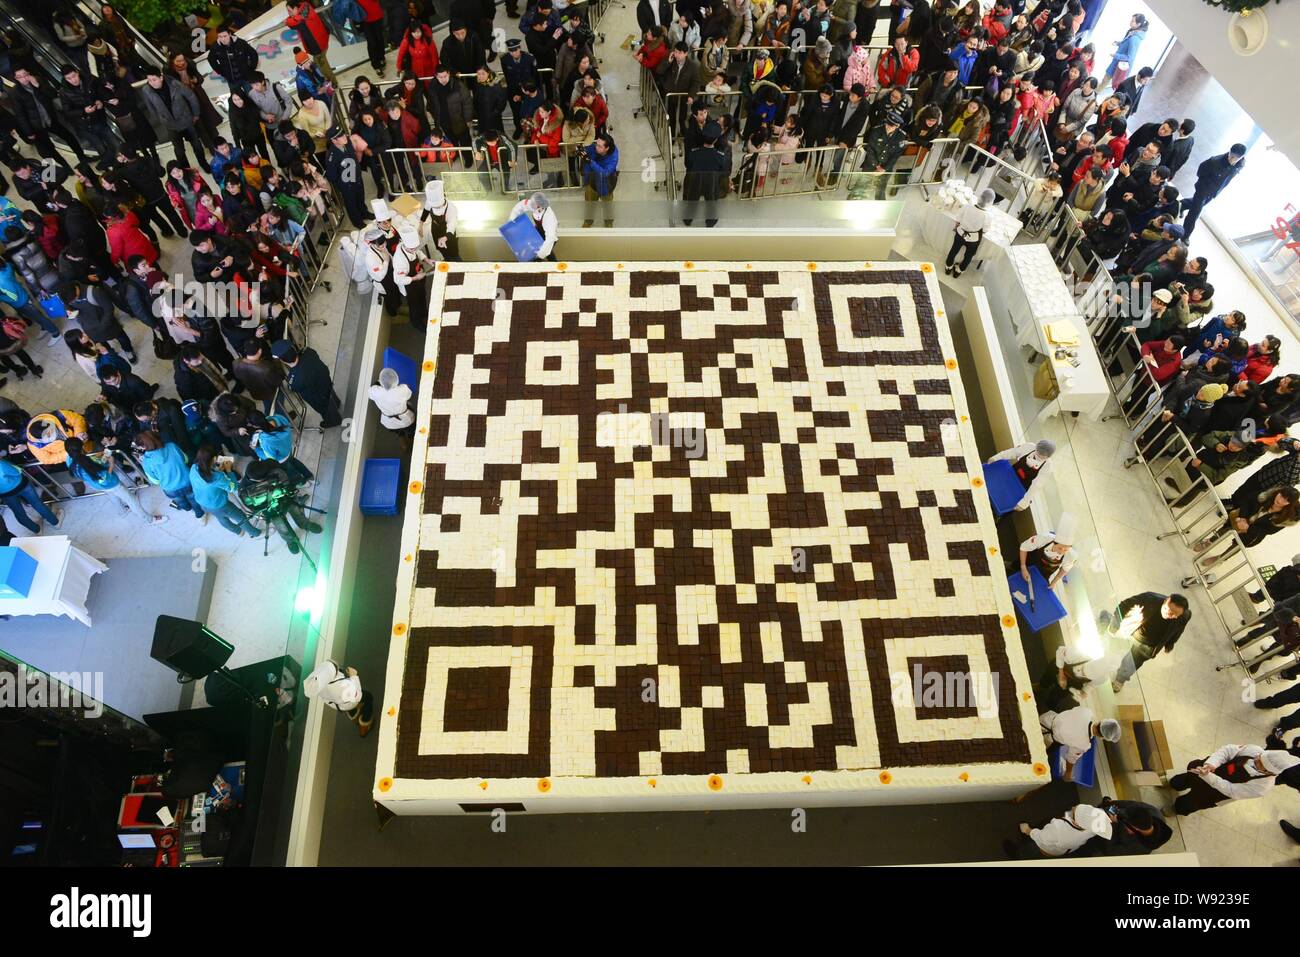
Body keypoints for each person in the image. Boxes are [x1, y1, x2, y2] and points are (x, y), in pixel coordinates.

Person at [1169, 745, 1300, 815]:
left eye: (1260, 763)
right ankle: (1174, 784)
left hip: (1214, 793)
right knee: (1182, 780)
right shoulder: (1255, 750)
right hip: (1204, 770)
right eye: (1260, 756)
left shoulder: (1263, 787)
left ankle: (1176, 809)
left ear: (1269, 772)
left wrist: (1208, 776)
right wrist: (1211, 764)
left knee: (1188, 804)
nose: (1256, 759)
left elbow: (1231, 790)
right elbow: (1227, 751)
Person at [1105, 592, 1192, 690]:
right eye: (1169, 610)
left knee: (1131, 663)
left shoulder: (1184, 615)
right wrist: (1114, 625)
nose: (1170, 615)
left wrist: (1170, 643)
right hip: (1133, 629)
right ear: (1165, 600)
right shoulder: (1149, 599)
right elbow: (1124, 606)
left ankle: (1120, 679)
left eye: (1175, 615)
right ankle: (1104, 619)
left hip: (1148, 645)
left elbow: (1179, 630)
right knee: (1111, 627)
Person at [139, 67, 207, 173]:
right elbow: (151, 108)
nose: (151, 83)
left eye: (154, 79)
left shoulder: (175, 84)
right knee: (179, 150)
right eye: (149, 80)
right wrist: (162, 120)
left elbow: (191, 97)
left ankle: (203, 163)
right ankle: (186, 170)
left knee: (196, 144)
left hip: (186, 120)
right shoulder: (146, 90)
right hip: (171, 125)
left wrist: (196, 114)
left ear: (161, 77)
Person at [188, 444, 259, 537]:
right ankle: (255, 533)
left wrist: (217, 467)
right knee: (241, 517)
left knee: (221, 518)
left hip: (202, 502)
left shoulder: (194, 468)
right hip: (219, 505)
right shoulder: (216, 477)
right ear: (212, 460)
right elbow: (233, 487)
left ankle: (238, 531)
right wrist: (229, 470)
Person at [271, 341, 344, 428]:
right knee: (330, 393)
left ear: (283, 360)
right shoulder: (308, 352)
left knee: (325, 408)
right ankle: (337, 403)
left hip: (317, 395)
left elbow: (294, 388)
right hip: (325, 380)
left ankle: (334, 421)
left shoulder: (294, 379)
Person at [1182, 145, 1247, 239]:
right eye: (1231, 155)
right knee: (1194, 213)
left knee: (1197, 204)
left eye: (1235, 158)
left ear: (1241, 157)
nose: (1231, 159)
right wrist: (1203, 186)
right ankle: (1185, 235)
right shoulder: (1215, 161)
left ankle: (1182, 204)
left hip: (1213, 193)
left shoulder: (1241, 164)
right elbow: (1200, 171)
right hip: (1203, 190)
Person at [1039, 705, 1122, 777]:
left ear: (1102, 721)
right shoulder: (1084, 745)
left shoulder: (1086, 711)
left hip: (1046, 718)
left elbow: (1073, 713)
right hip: (1046, 738)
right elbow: (1071, 758)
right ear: (1102, 737)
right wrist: (1068, 773)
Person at [1008, 802, 1111, 859]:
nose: (1074, 807)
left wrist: (1028, 830)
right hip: (1062, 850)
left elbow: (1041, 837)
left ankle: (1017, 854)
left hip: (1043, 848)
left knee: (1027, 850)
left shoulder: (1058, 830)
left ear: (1076, 823)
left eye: (1075, 811)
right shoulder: (1092, 828)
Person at [304, 659, 374, 736]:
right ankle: (364, 724)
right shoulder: (340, 687)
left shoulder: (319, 685)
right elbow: (357, 695)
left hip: (339, 704)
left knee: (346, 702)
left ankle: (354, 715)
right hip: (350, 701)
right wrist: (354, 675)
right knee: (368, 697)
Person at [986, 439, 1055, 511]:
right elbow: (1012, 452)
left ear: (1048, 457)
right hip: (1009, 475)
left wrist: (1024, 503)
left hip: (1020, 489)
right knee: (993, 490)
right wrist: (996, 457)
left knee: (1001, 502)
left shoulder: (1047, 467)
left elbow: (1036, 485)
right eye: (1037, 452)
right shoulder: (1029, 446)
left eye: (1042, 456)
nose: (1038, 455)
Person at [0, 456, 61, 534]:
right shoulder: (1, 463)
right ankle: (55, 523)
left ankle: (36, 530)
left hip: (5, 494)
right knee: (37, 504)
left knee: (18, 513)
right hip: (20, 485)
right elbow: (16, 472)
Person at [944, 187, 995, 278]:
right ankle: (959, 271)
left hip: (960, 233)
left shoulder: (967, 206)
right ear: (990, 202)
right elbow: (985, 230)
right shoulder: (987, 216)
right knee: (968, 256)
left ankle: (948, 267)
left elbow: (958, 219)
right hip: (973, 240)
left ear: (979, 197)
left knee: (953, 251)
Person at [581, 133, 620, 228]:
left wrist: (590, 161)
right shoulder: (595, 147)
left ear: (606, 148)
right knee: (589, 202)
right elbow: (588, 150)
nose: (596, 147)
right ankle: (588, 220)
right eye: (596, 143)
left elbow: (605, 173)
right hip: (591, 180)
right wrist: (581, 150)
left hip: (606, 184)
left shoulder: (613, 157)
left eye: (599, 146)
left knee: (607, 204)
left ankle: (608, 222)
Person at [508, 192, 560, 261]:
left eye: (533, 204)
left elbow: (550, 239)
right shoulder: (534, 204)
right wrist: (512, 219)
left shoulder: (549, 218)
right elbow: (520, 206)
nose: (530, 205)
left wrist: (540, 255)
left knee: (544, 253)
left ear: (539, 206)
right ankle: (553, 263)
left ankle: (554, 266)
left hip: (549, 236)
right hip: (538, 231)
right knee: (547, 253)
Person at [208, 26, 259, 92]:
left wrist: (252, 68)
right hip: (231, 80)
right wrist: (220, 72)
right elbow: (211, 59)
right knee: (237, 98)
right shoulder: (215, 47)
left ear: (229, 34)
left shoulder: (240, 43)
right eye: (220, 37)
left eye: (225, 36)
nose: (223, 39)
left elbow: (253, 54)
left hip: (246, 77)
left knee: (251, 95)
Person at [1104, 12, 1148, 89]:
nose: (1130, 22)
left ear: (1138, 24)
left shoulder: (1135, 38)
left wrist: (1116, 55)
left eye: (1133, 21)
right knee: (1106, 81)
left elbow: (1129, 57)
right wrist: (1118, 43)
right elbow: (1126, 44)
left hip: (1121, 66)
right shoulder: (1132, 32)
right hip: (1118, 63)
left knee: (1113, 85)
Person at [369, 367, 415, 437]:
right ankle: (409, 437)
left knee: (399, 433)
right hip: (406, 420)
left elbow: (373, 387)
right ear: (396, 380)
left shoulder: (374, 391)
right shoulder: (402, 390)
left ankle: (404, 443)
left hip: (389, 422)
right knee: (410, 431)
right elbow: (409, 393)